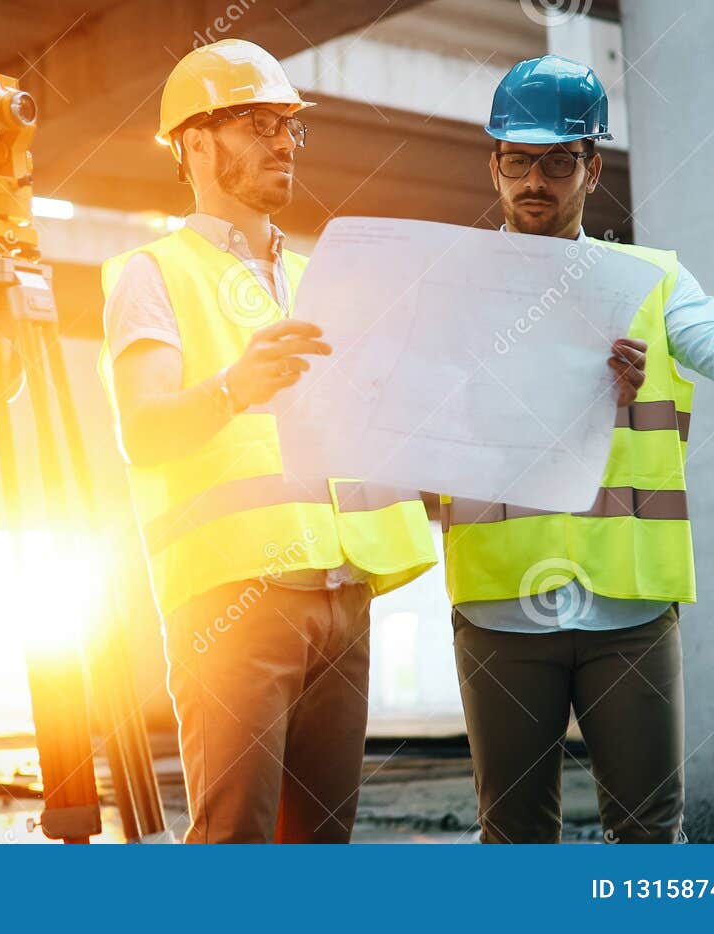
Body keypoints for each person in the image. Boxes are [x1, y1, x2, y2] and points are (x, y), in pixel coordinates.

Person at [443, 54, 714, 843]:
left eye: (559, 162)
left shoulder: (652, 281)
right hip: (501, 604)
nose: (537, 180)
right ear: (494, 165)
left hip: (629, 605)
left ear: (592, 169)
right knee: (515, 839)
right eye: (520, 160)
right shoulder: (449, 287)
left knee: (646, 837)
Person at [99, 40, 437, 843]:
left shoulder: (323, 275)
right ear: (197, 143)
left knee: (321, 847)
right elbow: (143, 431)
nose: (284, 142)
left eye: (290, 126)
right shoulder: (153, 273)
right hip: (234, 602)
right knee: (236, 846)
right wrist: (231, 389)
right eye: (259, 124)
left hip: (343, 594)